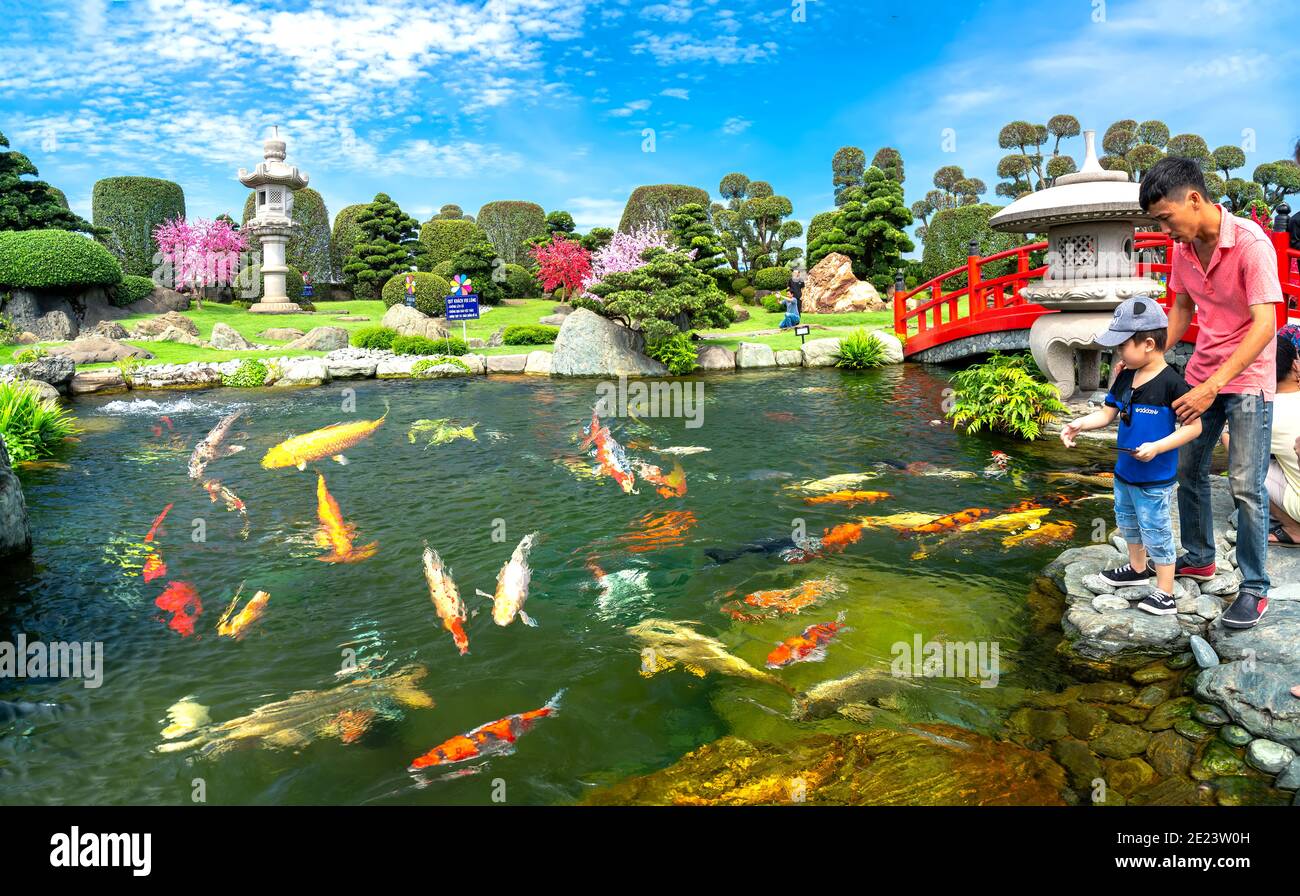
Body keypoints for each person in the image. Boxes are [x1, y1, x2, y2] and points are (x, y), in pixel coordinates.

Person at [1139, 156, 1284, 629]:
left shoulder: (1250, 244)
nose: (1165, 231)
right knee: (1187, 466)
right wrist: (1152, 357)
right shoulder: (1183, 251)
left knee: (1245, 485)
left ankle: (1254, 588)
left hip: (1246, 378)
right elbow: (1180, 308)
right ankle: (1200, 556)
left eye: (1166, 218)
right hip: (1202, 372)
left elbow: (1267, 325)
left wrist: (1213, 386)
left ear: (1195, 199)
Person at [1061, 297, 1203, 615]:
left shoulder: (1173, 384)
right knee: (1128, 523)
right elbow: (1108, 413)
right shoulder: (1126, 375)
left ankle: (1164, 592)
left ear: (1148, 343)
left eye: (1121, 346)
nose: (1117, 353)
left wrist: (1158, 446)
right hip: (1124, 472)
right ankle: (1137, 570)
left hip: (1154, 477)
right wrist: (1080, 424)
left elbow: (1194, 428)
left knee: (1156, 529)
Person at [1264, 325, 1300, 546]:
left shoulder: (1269, 412)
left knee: (1245, 465)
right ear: (1295, 364)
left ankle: (1292, 528)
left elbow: (1234, 444)